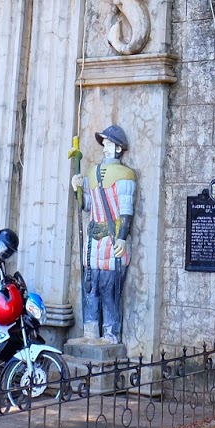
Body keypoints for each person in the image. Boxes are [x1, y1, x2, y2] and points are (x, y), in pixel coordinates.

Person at [71, 125, 136, 343]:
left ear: (119, 148)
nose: (105, 148)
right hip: (93, 240)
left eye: (109, 144)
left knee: (110, 290)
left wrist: (121, 237)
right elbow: (87, 205)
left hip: (112, 237)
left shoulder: (125, 175)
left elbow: (126, 211)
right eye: (104, 144)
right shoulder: (92, 172)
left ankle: (110, 334)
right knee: (91, 288)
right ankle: (90, 332)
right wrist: (77, 189)